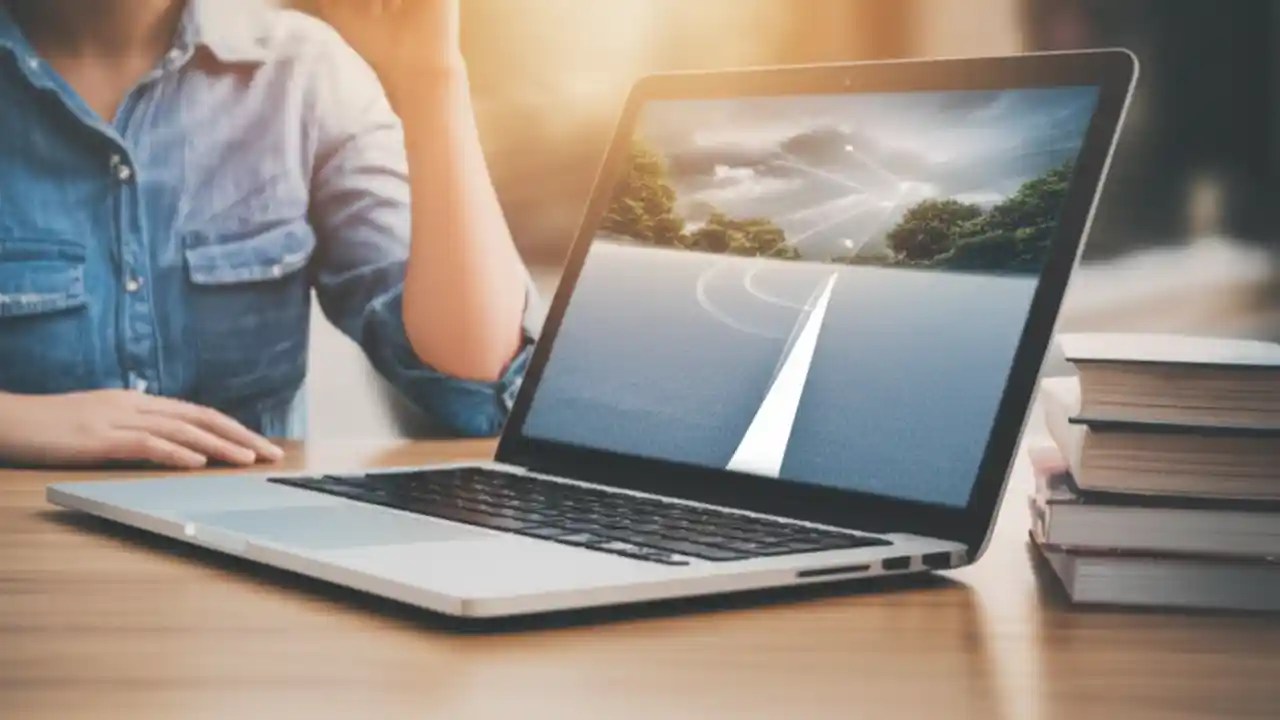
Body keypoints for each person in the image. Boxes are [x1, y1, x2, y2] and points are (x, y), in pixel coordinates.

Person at [0, 0, 538, 469]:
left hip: (241, 557)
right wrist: (21, 423)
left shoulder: (304, 75)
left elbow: (476, 385)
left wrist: (430, 75)